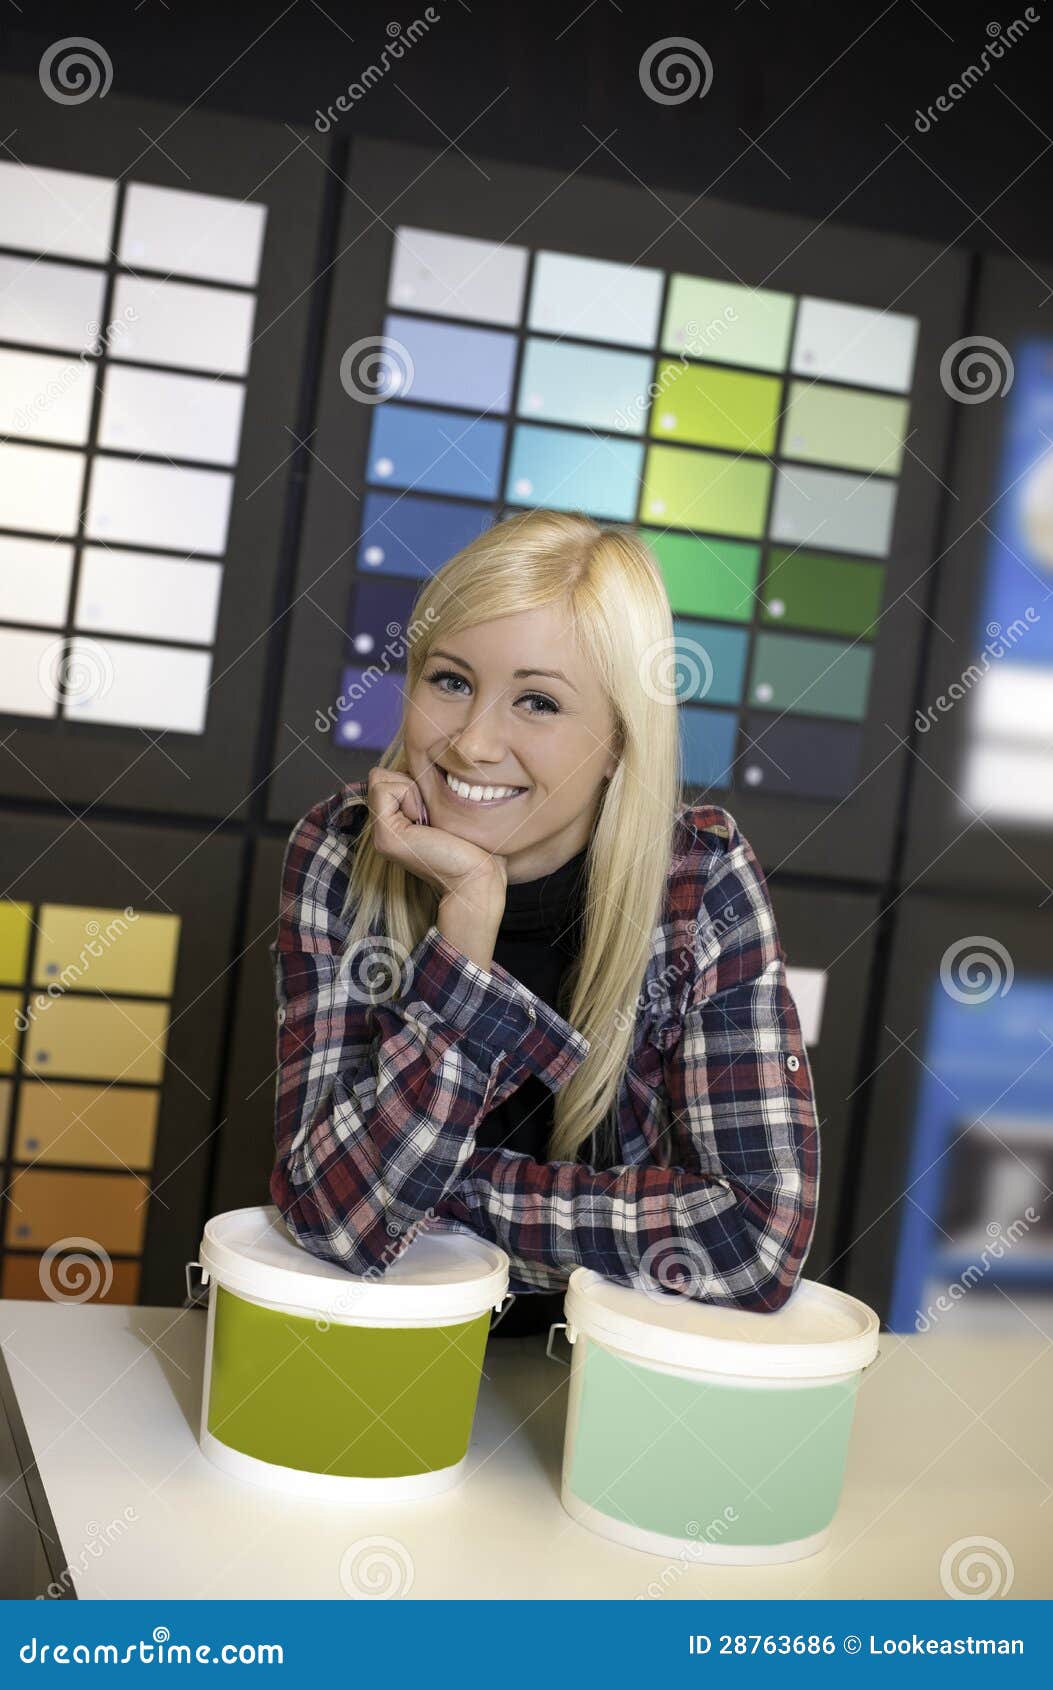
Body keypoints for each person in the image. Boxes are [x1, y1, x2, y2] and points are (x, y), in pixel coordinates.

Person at [269, 509, 819, 1338]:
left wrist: (440, 1195)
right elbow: (331, 1219)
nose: (474, 744)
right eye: (450, 681)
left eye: (537, 701)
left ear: (616, 743)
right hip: (367, 1356)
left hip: (595, 1385)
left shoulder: (698, 880)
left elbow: (750, 1241)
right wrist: (468, 919)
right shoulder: (342, 850)